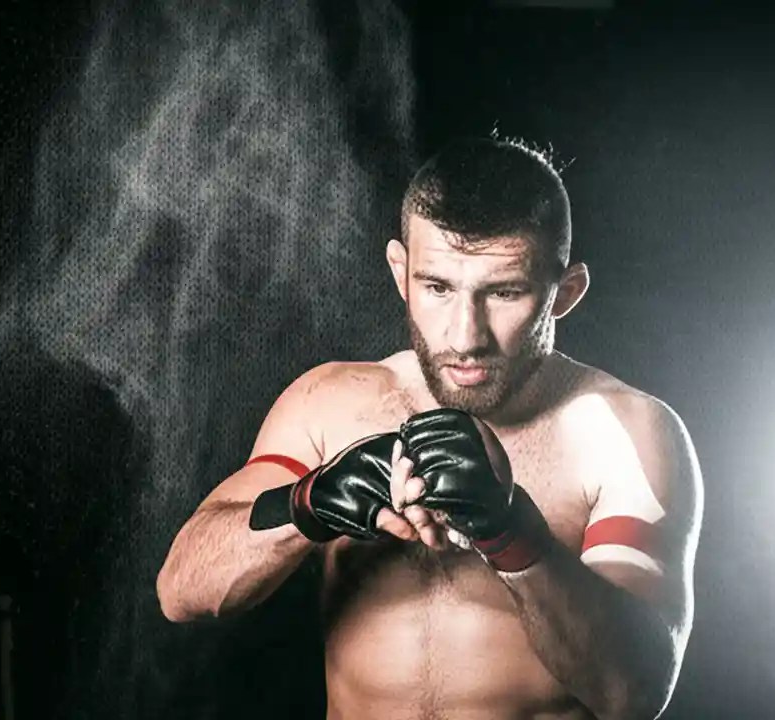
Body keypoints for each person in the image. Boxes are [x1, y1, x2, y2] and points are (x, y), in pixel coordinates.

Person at [156, 137, 703, 720]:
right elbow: (182, 590)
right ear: (401, 271)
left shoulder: (625, 435)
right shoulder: (329, 405)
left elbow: (634, 693)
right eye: (438, 288)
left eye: (504, 292)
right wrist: (306, 503)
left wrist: (512, 534)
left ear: (563, 294)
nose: (465, 336)